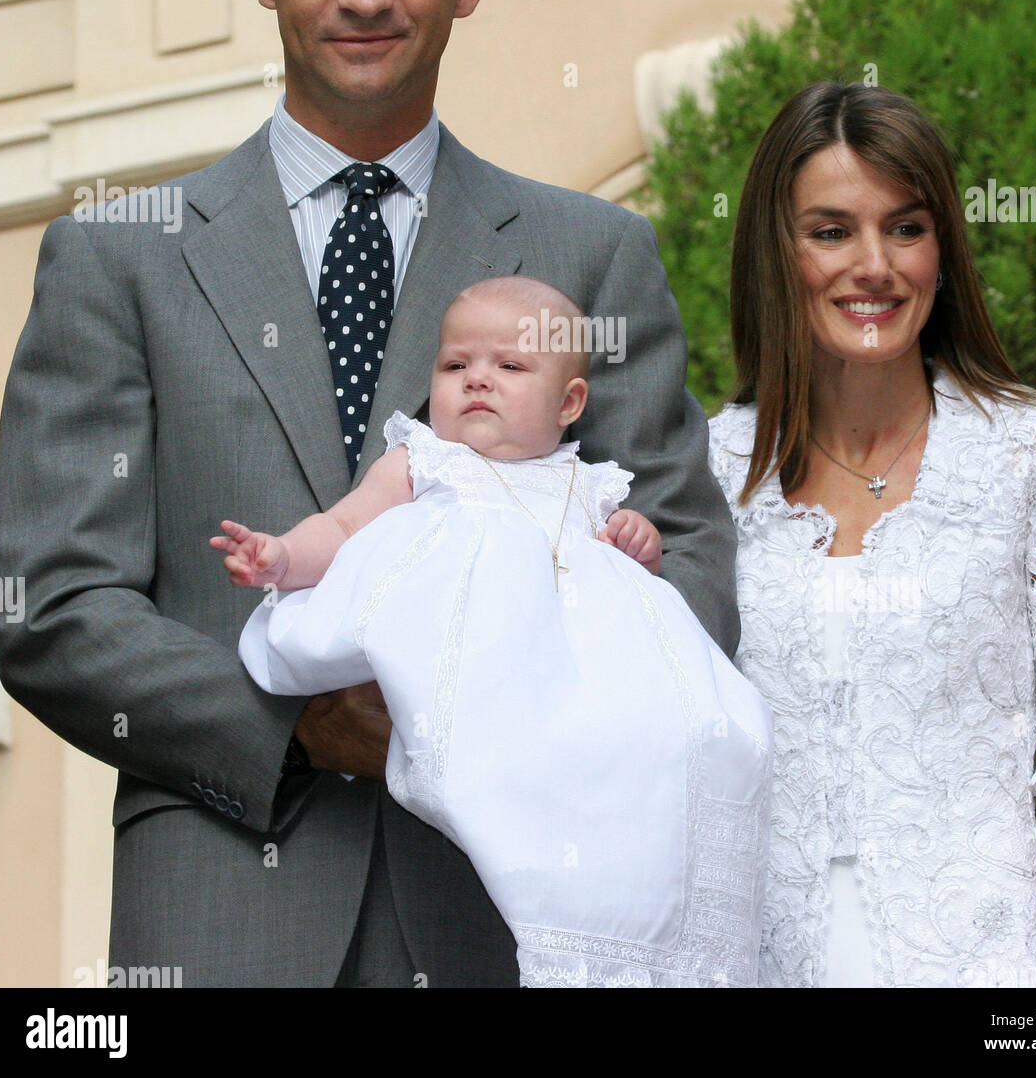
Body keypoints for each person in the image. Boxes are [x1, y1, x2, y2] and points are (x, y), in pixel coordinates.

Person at [0, 0, 740, 988]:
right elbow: (54, 606)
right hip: (221, 919)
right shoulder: (117, 255)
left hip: (509, 917)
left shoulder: (590, 257)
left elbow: (693, 574)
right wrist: (299, 723)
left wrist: (524, 706)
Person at [213, 275, 773, 988]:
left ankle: (627, 914)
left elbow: (634, 586)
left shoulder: (586, 483)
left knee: (685, 734)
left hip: (566, 675)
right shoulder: (425, 462)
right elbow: (344, 526)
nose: (477, 379)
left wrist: (637, 542)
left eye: (509, 366)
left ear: (569, 403)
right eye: (455, 367)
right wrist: (283, 557)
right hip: (473, 662)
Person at [707, 81, 1036, 988]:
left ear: (941, 250)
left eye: (905, 228)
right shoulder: (707, 469)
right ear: (775, 255)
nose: (873, 264)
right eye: (830, 231)